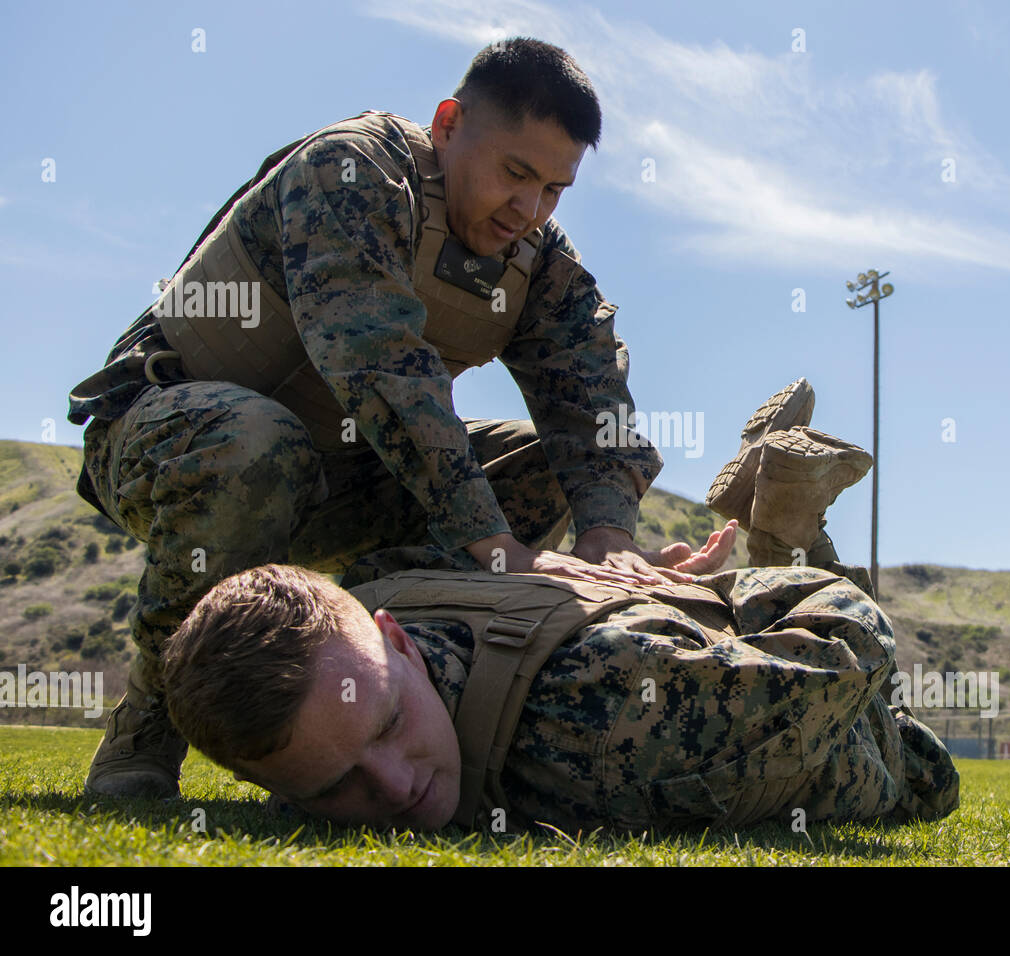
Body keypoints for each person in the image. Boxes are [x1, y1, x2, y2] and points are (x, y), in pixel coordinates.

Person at [65, 37, 733, 800]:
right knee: (256, 444)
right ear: (448, 124)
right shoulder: (351, 171)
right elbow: (380, 364)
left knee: (540, 470)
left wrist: (613, 542)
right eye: (515, 173)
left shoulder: (538, 259)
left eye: (554, 189)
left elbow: (590, 393)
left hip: (337, 480)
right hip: (172, 443)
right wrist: (493, 548)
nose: (530, 208)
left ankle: (408, 695)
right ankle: (144, 738)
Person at [159, 413, 959, 834]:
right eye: (336, 788)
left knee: (923, 779)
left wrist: (739, 588)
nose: (398, 787)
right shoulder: (373, 592)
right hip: (636, 632)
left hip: (805, 711)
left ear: (394, 635)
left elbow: (854, 640)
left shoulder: (609, 716)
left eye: (389, 723)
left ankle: (783, 520)